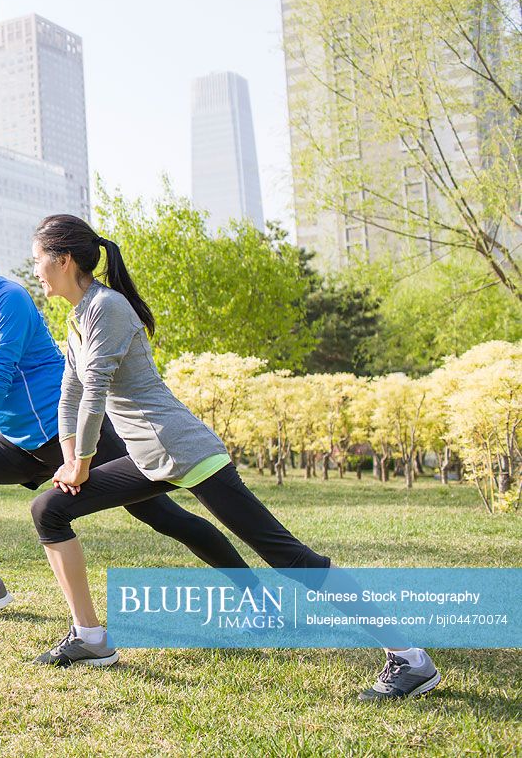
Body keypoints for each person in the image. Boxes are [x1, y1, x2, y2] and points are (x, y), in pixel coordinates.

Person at [27, 213, 441, 700]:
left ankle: (410, 658)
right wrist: (71, 456)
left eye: (38, 260)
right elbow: (70, 396)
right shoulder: (79, 317)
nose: (35, 270)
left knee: (289, 558)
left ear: (64, 259)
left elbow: (95, 392)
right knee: (49, 509)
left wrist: (82, 462)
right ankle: (91, 640)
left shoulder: (108, 308)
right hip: (147, 456)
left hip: (184, 449)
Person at [0, 217, 252, 637]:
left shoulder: (9, 299)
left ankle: (250, 590)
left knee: (163, 515)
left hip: (72, 436)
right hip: (22, 445)